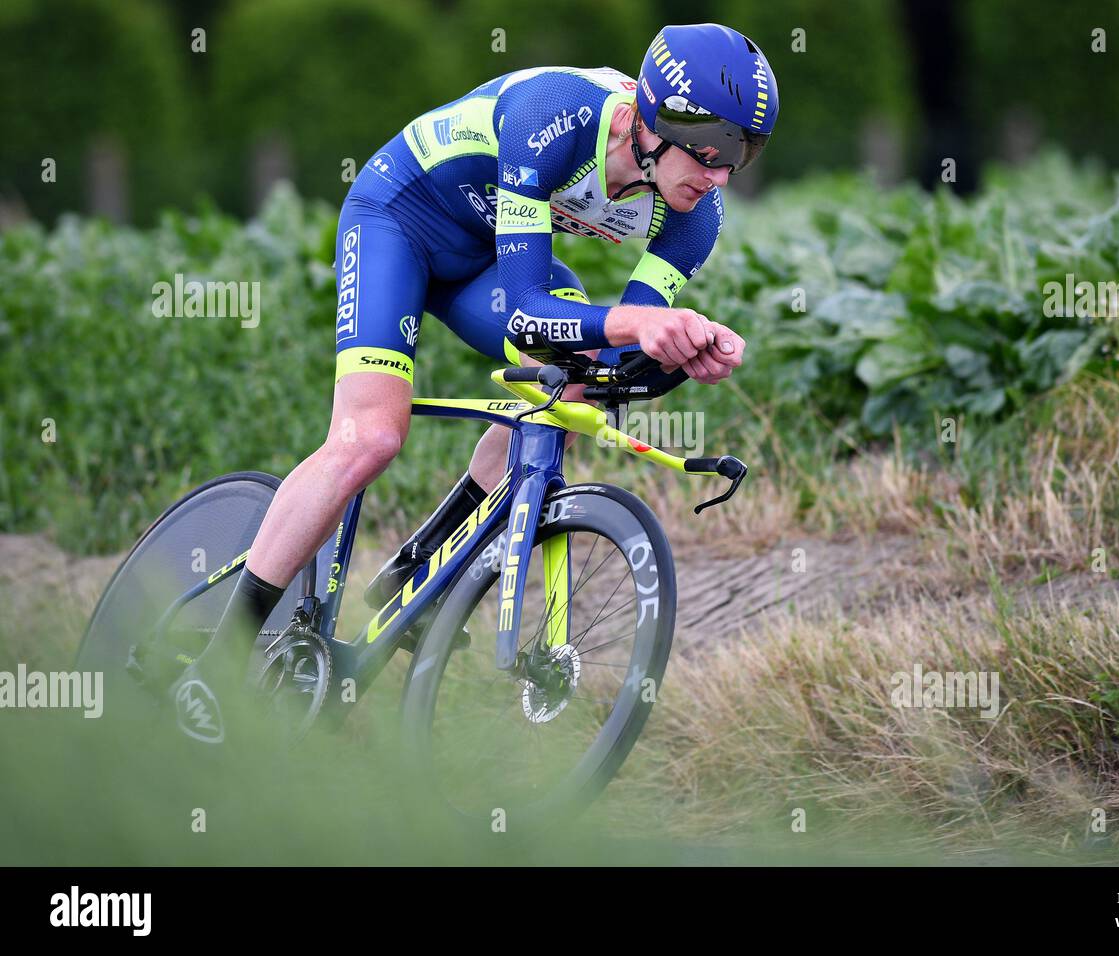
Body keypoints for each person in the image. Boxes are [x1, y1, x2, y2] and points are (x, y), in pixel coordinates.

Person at [173, 23, 780, 740]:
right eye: (716, 151)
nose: (720, 178)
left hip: (481, 263)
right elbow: (527, 312)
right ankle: (216, 664)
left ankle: (431, 556)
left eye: (743, 156)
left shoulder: (693, 218)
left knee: (578, 377)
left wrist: (681, 349)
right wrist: (634, 326)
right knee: (370, 437)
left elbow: (617, 353)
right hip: (399, 221)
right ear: (657, 116)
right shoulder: (555, 115)